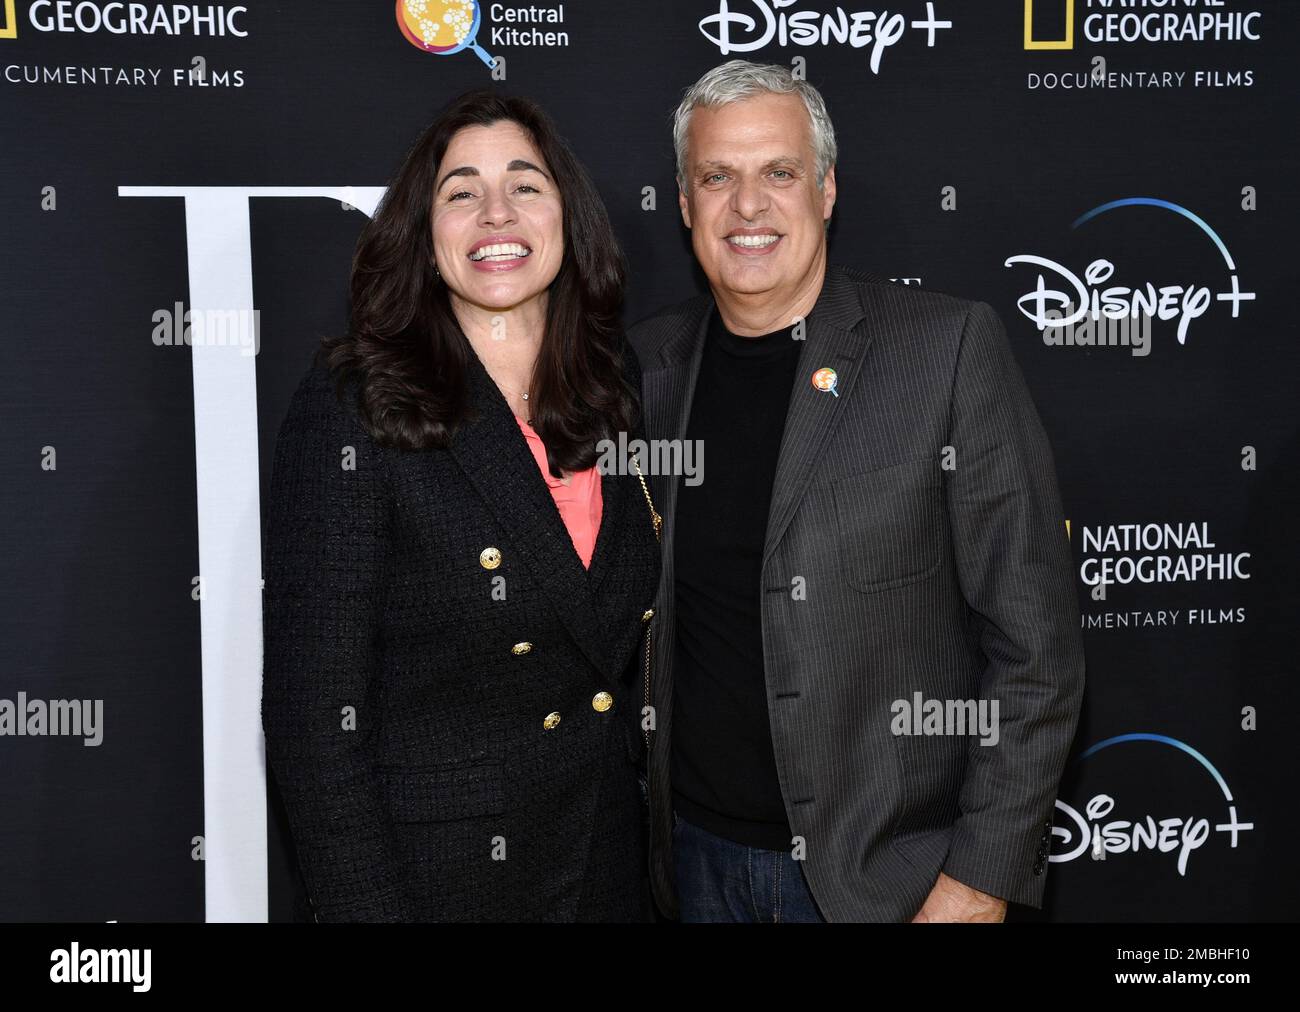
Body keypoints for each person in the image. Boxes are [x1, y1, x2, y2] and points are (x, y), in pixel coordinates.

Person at [628, 60, 1086, 923]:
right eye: (717, 176)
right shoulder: (647, 368)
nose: (748, 206)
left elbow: (1037, 653)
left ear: (828, 189)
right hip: (690, 867)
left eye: (780, 172)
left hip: (891, 886)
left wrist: (980, 883)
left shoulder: (946, 352)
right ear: (685, 203)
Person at [261, 90, 661, 922]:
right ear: (423, 233)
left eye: (525, 183)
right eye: (460, 191)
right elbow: (313, 725)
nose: (495, 213)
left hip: (606, 866)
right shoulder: (355, 403)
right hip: (439, 880)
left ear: (567, 215)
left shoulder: (613, 387)